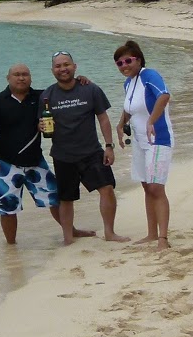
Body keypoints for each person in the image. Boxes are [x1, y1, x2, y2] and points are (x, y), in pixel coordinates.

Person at [0, 63, 94, 244]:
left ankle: (71, 231)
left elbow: (64, 90)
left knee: (56, 198)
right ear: (8, 78)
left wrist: (79, 80)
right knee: (7, 209)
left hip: (35, 162)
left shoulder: (42, 97)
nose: (21, 78)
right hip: (5, 165)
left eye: (25, 74)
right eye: (16, 75)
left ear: (31, 78)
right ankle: (11, 246)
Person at [40, 51, 129, 243]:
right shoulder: (47, 95)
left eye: (66, 64)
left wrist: (109, 146)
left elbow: (103, 118)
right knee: (65, 199)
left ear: (74, 66)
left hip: (92, 152)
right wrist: (39, 126)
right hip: (63, 155)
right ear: (52, 70)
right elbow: (41, 123)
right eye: (58, 66)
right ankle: (68, 238)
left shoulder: (90, 89)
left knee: (107, 189)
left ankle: (110, 232)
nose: (63, 69)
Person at [114, 39, 174, 249]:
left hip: (159, 140)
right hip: (140, 141)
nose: (124, 66)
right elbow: (130, 108)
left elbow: (164, 96)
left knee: (157, 187)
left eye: (128, 61)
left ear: (138, 59)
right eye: (119, 63)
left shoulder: (149, 75)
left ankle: (163, 238)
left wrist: (151, 120)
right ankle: (151, 233)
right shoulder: (128, 83)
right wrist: (121, 125)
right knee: (147, 186)